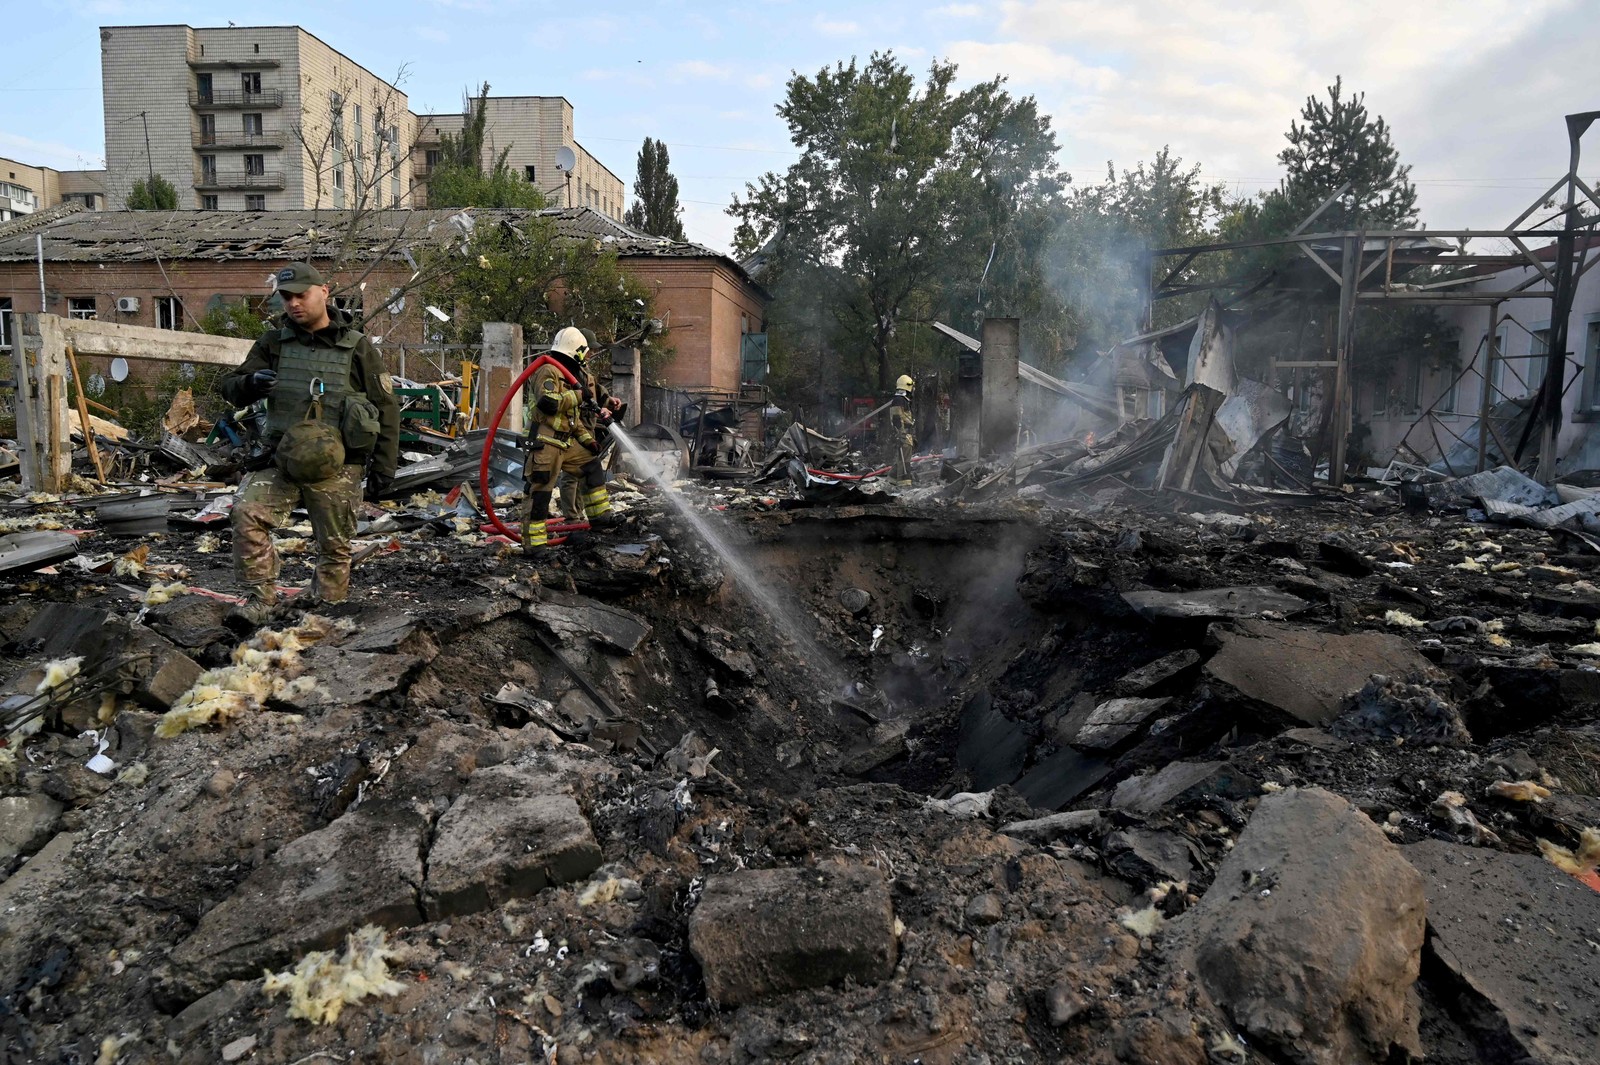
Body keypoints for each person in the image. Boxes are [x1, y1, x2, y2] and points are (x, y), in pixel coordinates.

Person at [219, 263, 400, 625]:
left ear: (324, 292)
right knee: (246, 513)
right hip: (280, 459)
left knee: (335, 545)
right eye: (287, 298)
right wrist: (251, 382)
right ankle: (260, 600)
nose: (294, 304)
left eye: (302, 295)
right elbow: (230, 387)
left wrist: (384, 467)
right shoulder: (273, 344)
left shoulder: (358, 347)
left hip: (338, 463)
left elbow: (386, 407)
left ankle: (324, 609)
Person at [521, 326, 622, 549]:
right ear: (575, 350)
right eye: (584, 351)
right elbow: (548, 403)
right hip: (544, 444)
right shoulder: (548, 370)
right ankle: (534, 546)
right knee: (540, 495)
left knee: (591, 466)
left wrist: (588, 441)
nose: (587, 356)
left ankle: (599, 517)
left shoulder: (573, 374)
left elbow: (572, 419)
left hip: (566, 442)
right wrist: (579, 394)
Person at [888, 373, 915, 484]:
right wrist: (901, 434)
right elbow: (897, 418)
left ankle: (892, 481)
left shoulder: (902, 400)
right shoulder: (899, 400)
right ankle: (904, 484)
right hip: (903, 434)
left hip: (905, 434)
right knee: (905, 461)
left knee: (902, 459)